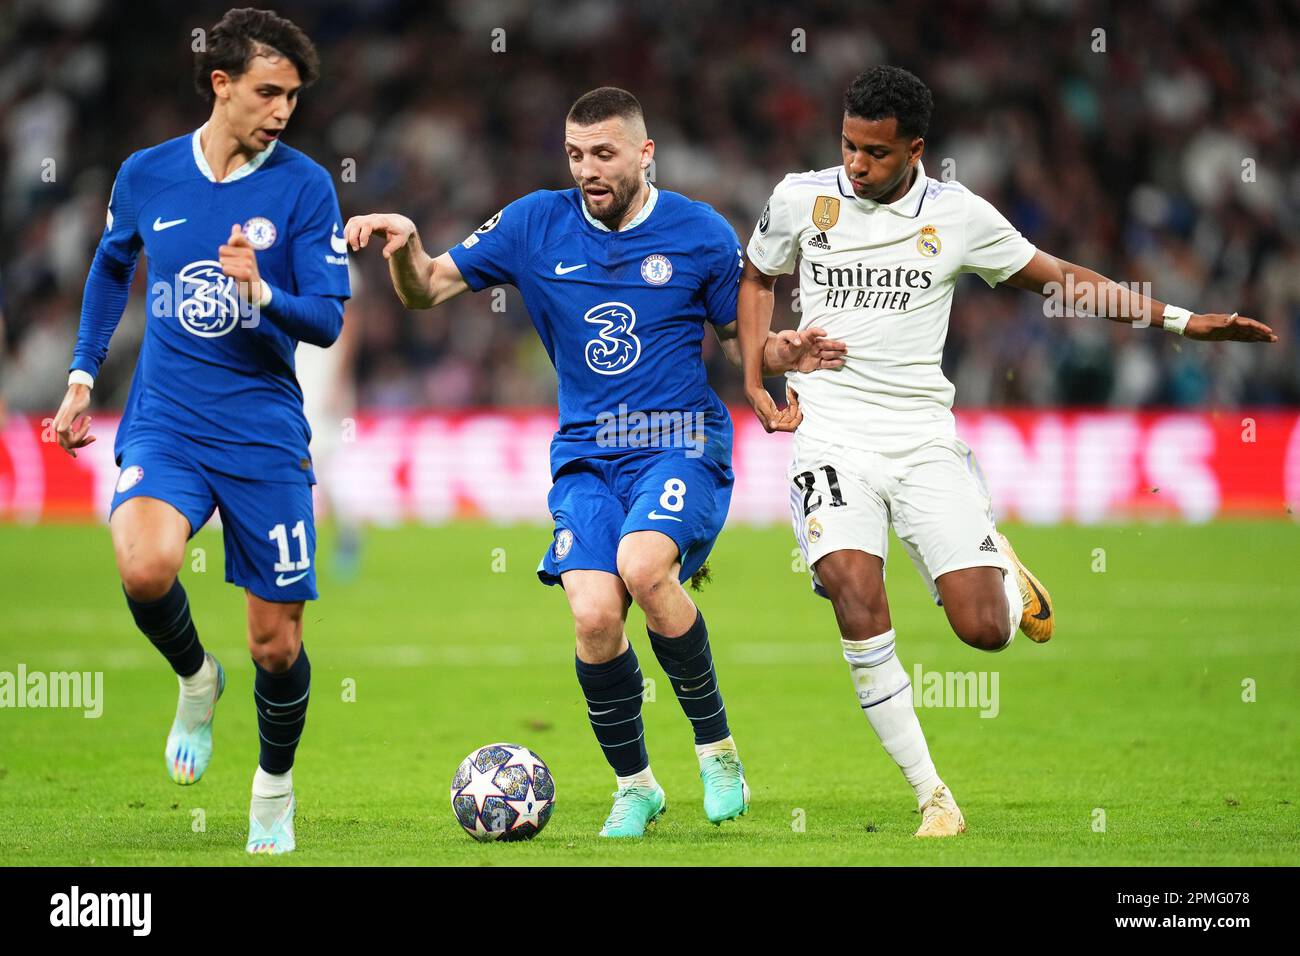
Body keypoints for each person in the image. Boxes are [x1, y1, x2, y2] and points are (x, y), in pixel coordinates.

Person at [737, 65, 1276, 837]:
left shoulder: (958, 217)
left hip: (922, 440)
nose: (855, 165)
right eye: (848, 146)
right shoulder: (801, 198)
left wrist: (1184, 322)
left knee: (984, 631)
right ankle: (933, 796)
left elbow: (1063, 281)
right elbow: (756, 274)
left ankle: (993, 552)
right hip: (829, 435)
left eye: (876, 154)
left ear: (916, 149)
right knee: (855, 596)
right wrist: (760, 372)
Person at [346, 86, 844, 838]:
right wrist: (407, 248)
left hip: (682, 441)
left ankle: (717, 750)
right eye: (576, 154)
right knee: (592, 615)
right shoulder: (532, 224)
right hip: (586, 454)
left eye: (604, 153)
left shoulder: (700, 234)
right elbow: (428, 290)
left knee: (645, 571)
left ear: (645, 154)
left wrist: (786, 350)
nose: (588, 169)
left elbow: (747, 342)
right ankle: (636, 786)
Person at [52, 7, 351, 854]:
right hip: (168, 420)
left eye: (293, 95)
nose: (283, 110)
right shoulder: (148, 175)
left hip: (261, 431)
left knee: (277, 645)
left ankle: (273, 790)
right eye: (268, 92)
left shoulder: (303, 187)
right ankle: (194, 677)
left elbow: (325, 320)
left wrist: (263, 295)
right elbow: (112, 267)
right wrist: (81, 377)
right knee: (145, 567)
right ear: (221, 85)